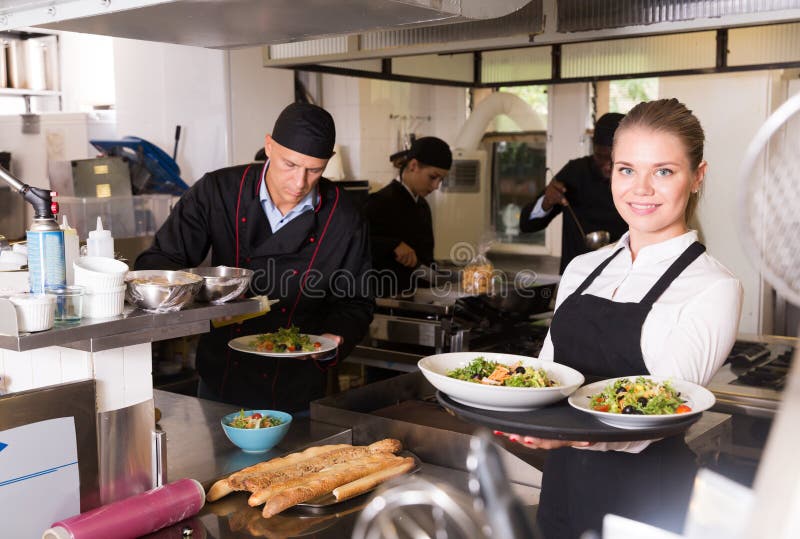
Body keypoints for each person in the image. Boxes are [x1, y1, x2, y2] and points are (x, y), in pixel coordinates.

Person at [498, 99, 743, 537]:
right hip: (561, 488)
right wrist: (515, 407)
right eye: (627, 169)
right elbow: (549, 376)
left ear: (697, 176)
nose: (641, 188)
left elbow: (660, 413)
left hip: (646, 502)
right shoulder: (581, 268)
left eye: (663, 171)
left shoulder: (714, 286)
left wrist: (566, 434)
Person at [136, 102, 374, 412]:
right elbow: (159, 262)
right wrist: (200, 298)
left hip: (298, 382)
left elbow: (356, 301)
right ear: (269, 146)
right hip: (222, 376)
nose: (300, 182)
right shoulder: (217, 191)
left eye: (314, 170)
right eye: (290, 165)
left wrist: (334, 338)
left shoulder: (345, 216)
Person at [520, 112, 629, 274]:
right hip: (576, 278)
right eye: (600, 157)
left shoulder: (635, 179)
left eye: (613, 159)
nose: (607, 166)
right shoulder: (576, 172)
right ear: (593, 147)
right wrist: (546, 202)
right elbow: (527, 224)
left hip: (622, 276)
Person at [364, 136, 452, 296]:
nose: (436, 186)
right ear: (413, 165)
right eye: (433, 177)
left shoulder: (422, 205)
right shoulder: (381, 201)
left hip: (417, 296)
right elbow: (357, 243)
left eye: (441, 179)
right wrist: (392, 245)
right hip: (387, 299)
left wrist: (438, 283)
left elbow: (425, 257)